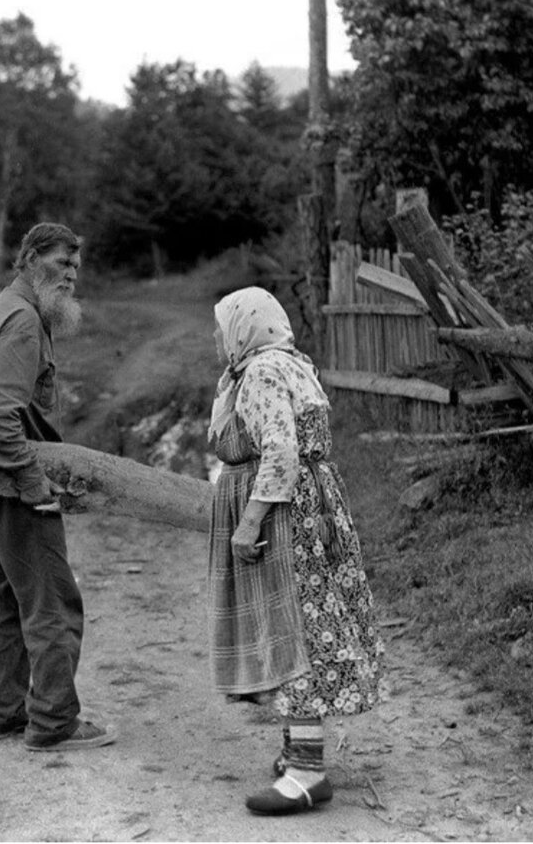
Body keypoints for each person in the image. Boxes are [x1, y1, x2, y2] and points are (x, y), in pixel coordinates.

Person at [207, 286, 384, 814]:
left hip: (286, 519)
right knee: (294, 625)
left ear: (244, 328)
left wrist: (250, 521)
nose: (217, 338)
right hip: (309, 506)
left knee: (293, 627)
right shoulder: (289, 363)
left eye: (221, 327)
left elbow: (280, 450)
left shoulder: (261, 371)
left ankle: (307, 773)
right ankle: (296, 751)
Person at [0, 222, 115, 751]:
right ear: (28, 259)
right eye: (58, 263)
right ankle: (53, 722)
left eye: (74, 266)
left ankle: (2, 712)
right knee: (53, 601)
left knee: (6, 595)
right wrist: (32, 481)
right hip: (10, 483)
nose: (69, 275)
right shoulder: (23, 321)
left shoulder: (6, 306)